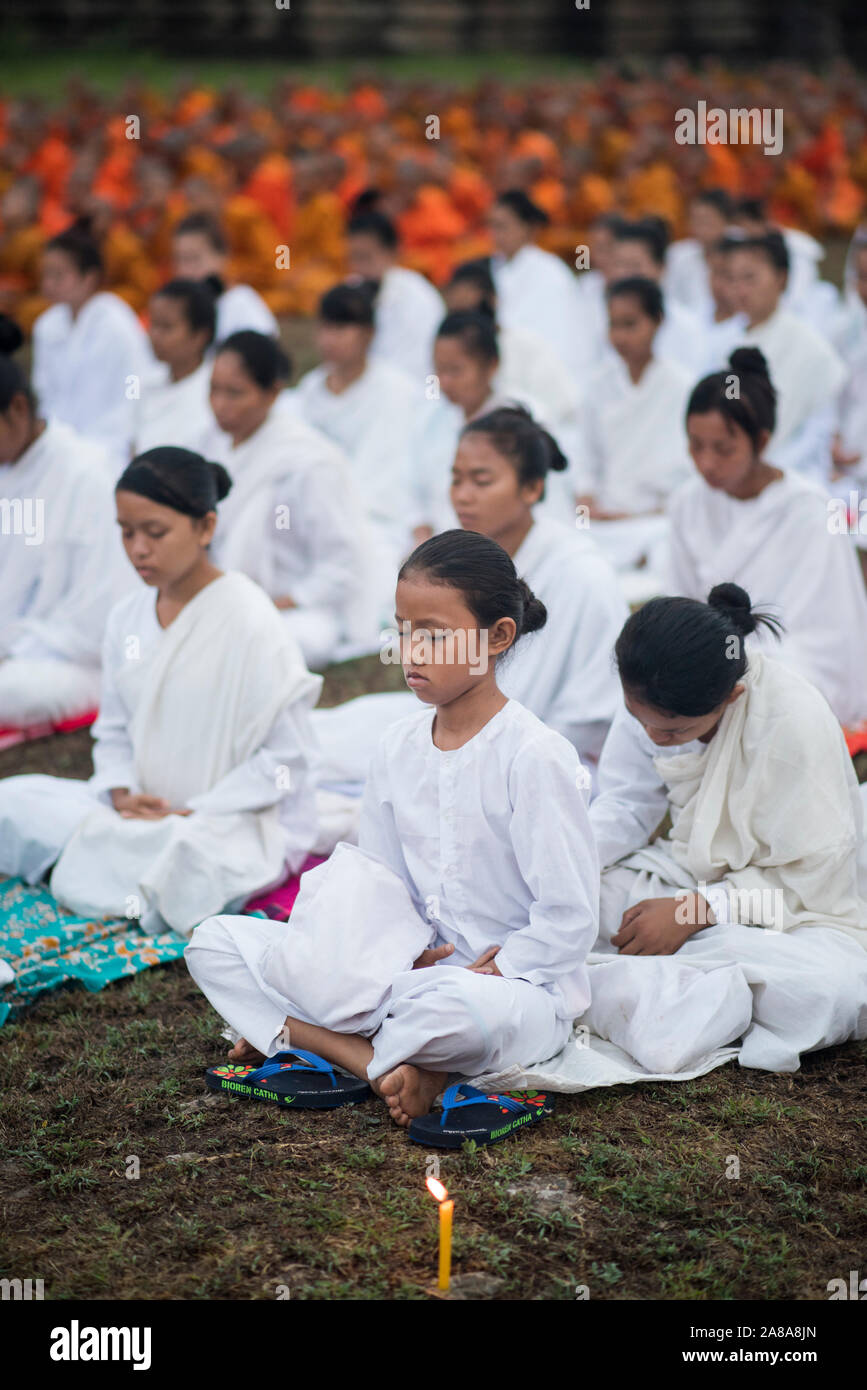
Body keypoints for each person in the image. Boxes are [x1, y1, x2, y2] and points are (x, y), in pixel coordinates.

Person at [185, 530, 599, 1133]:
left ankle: (313, 1039)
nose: (412, 651)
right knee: (214, 942)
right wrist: (386, 955)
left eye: (433, 633)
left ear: (497, 637)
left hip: (508, 995)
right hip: (401, 978)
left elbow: (570, 915)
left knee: (455, 1011)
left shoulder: (535, 755)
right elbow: (379, 880)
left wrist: (505, 967)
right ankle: (376, 1059)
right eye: (404, 630)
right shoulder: (396, 747)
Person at [0, 448, 323, 936]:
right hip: (136, 814)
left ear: (205, 527)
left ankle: (107, 864)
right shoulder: (126, 618)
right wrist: (121, 790)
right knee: (13, 799)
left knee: (189, 858)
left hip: (224, 821)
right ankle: (118, 858)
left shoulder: (250, 617)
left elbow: (287, 763)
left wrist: (199, 808)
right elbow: (111, 732)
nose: (138, 549)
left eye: (155, 532)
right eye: (126, 532)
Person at [586, 585, 867, 1075]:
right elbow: (627, 804)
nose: (652, 736)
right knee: (587, 897)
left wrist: (697, 910)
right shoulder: (653, 697)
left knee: (827, 991)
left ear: (732, 697)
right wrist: (565, 864)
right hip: (686, 873)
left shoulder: (792, 724)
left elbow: (810, 883)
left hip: (793, 912)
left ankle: (619, 990)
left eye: (671, 732)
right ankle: (673, 993)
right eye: (639, 718)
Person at [313, 405, 627, 789]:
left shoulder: (583, 575)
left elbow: (592, 713)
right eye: (456, 479)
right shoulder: (464, 559)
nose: (462, 496)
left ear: (532, 488)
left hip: (542, 758)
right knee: (341, 734)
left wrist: (495, 751)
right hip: (456, 718)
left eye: (481, 481)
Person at [669, 348, 867, 726]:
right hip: (704, 662)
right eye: (695, 446)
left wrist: (743, 665)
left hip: (789, 667)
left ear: (761, 440)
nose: (706, 463)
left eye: (723, 449)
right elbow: (678, 603)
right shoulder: (687, 502)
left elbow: (829, 640)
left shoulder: (811, 511)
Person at [204, 331, 381, 667]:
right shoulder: (210, 444)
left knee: (276, 645)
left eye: (234, 393)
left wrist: (283, 601)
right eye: (213, 390)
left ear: (272, 393)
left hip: (301, 610)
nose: (220, 405)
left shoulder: (307, 462)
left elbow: (343, 563)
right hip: (228, 597)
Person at [0, 315, 129, 725]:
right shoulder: (9, 468)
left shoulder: (87, 475)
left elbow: (97, 620)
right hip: (12, 646)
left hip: (71, 663)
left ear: (18, 409)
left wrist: (14, 647)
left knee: (14, 690)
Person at [573, 277, 692, 598]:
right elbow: (586, 455)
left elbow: (690, 471)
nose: (620, 336)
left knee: (667, 556)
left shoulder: (682, 386)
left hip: (658, 520)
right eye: (614, 325)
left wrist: (647, 514)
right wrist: (587, 499)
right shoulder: (598, 385)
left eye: (631, 324)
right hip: (607, 521)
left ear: (657, 322)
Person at [290, 283, 418, 564]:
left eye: (340, 330)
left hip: (375, 517)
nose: (329, 340)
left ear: (368, 334)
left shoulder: (397, 391)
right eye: (324, 328)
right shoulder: (309, 390)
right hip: (311, 516)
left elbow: (393, 470)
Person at [721, 232, 846, 481]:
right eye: (733, 279)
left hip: (795, 475)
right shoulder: (726, 341)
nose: (740, 289)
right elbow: (727, 405)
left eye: (750, 278)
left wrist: (766, 468)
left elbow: (817, 431)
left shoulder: (810, 348)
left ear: (781, 278)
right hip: (734, 472)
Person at [31, 223, 149, 468]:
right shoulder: (47, 326)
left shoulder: (117, 323)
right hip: (57, 441)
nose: (49, 284)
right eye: (46, 275)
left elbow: (135, 383)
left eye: (58, 275)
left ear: (89, 277)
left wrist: (129, 430)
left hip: (108, 441)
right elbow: (43, 391)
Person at [443, 258, 580, 444]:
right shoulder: (438, 412)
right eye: (459, 315)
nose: (467, 324)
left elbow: (564, 409)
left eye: (474, 311)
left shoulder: (526, 346)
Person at [489, 189, 587, 378]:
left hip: (544, 369)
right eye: (492, 226)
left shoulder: (550, 272)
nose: (495, 235)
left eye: (502, 227)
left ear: (528, 228)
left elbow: (550, 331)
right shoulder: (492, 267)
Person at [346, 209, 444, 384]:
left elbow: (420, 364)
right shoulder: (351, 287)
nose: (359, 267)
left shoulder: (418, 296)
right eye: (354, 258)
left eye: (366, 257)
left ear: (392, 252)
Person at [610, 217, 711, 375]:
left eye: (634, 265)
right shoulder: (601, 317)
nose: (626, 274)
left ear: (661, 267)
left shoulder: (687, 327)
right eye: (619, 264)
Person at [133, 278, 218, 454]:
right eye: (153, 325)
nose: (154, 336)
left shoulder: (215, 392)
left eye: (166, 327)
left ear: (200, 335)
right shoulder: (145, 383)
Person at [171, 212, 278, 342]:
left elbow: (265, 351)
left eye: (194, 259)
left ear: (223, 256)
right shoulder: (175, 312)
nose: (185, 270)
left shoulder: (240, 301)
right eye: (179, 260)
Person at [663, 188, 735, 316]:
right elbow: (670, 299)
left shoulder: (746, 251)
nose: (700, 227)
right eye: (695, 220)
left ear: (725, 220)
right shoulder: (678, 254)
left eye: (707, 220)